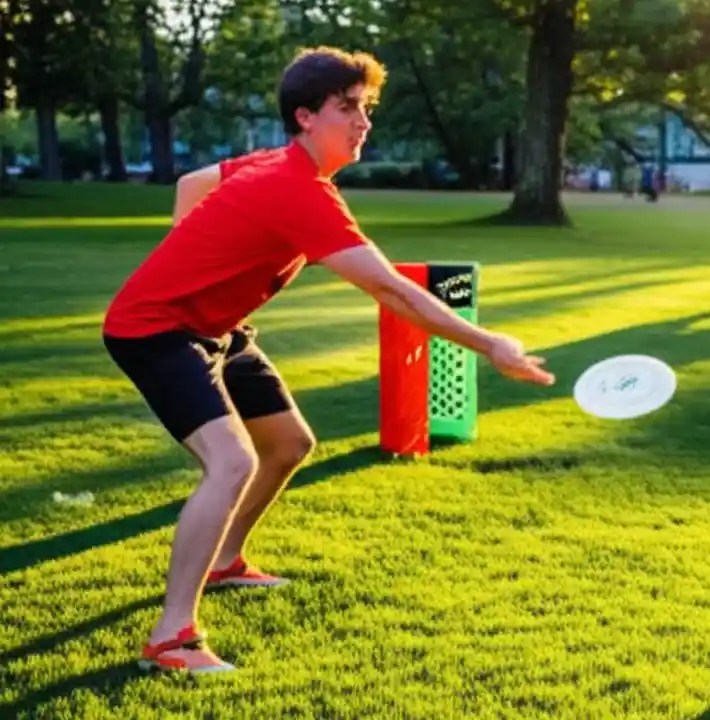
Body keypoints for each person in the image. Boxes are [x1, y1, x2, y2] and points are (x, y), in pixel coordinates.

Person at [102, 46, 555, 674]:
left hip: (216, 328)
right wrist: (490, 345)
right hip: (155, 330)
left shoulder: (277, 167)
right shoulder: (297, 189)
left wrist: (199, 267)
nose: (363, 121)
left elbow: (192, 184)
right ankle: (172, 637)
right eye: (348, 108)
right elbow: (392, 290)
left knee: (288, 444)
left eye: (365, 108)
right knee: (232, 462)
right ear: (306, 116)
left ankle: (227, 561)